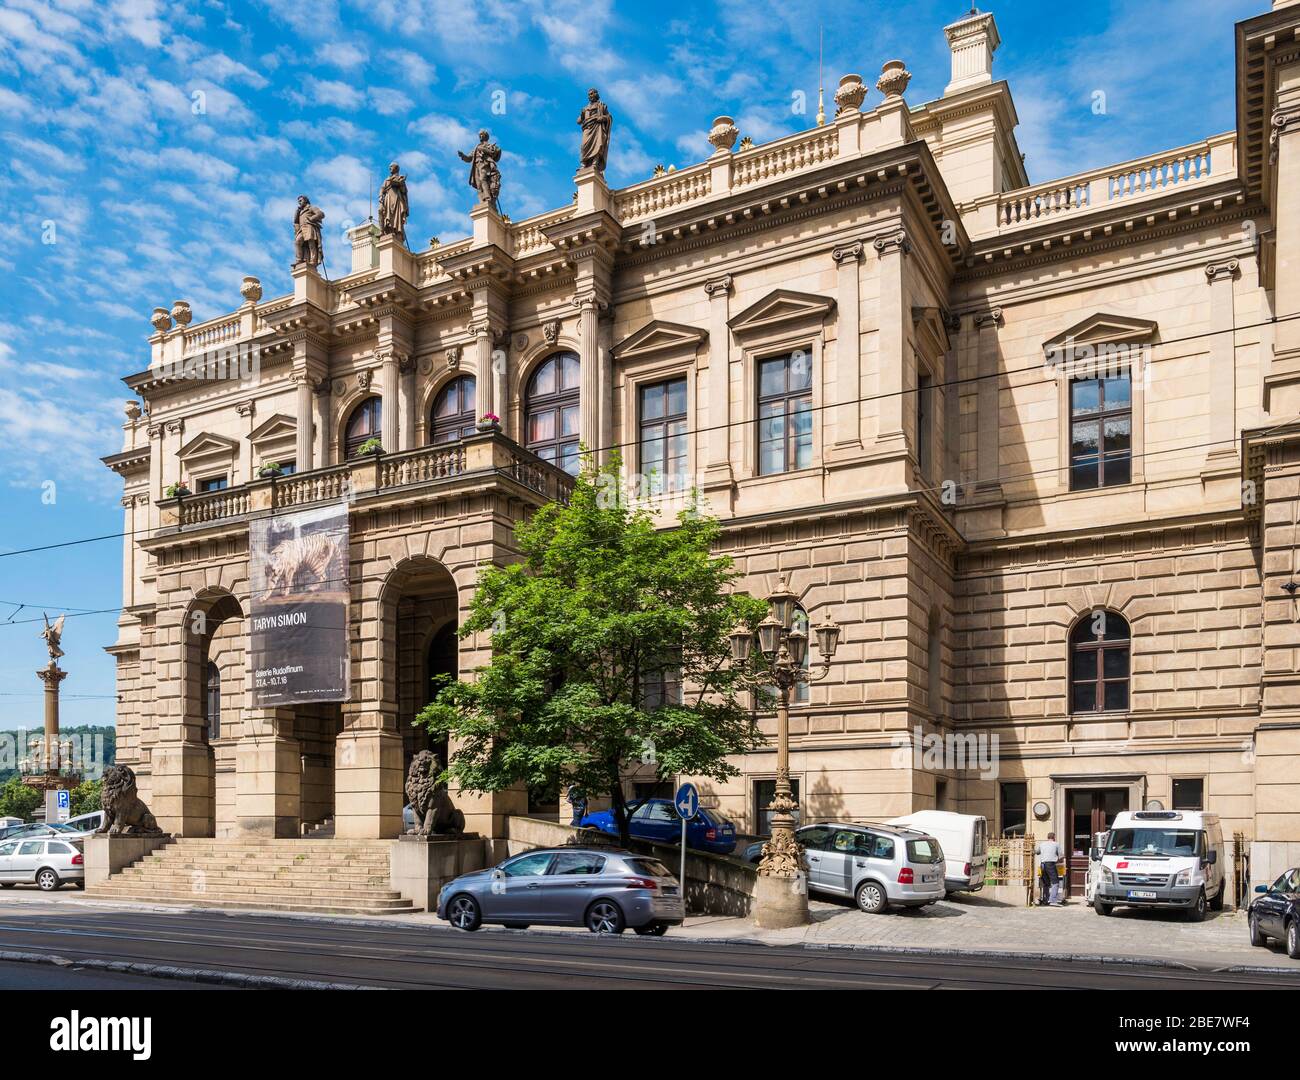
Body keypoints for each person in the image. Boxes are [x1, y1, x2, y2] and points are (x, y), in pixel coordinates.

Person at [1036, 831, 1062, 906]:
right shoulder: (1056, 844)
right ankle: (1053, 900)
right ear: (1054, 837)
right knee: (1055, 882)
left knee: (1046, 883)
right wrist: (1059, 860)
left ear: (1047, 837)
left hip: (1042, 865)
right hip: (1050, 864)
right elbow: (1061, 856)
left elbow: (1037, 852)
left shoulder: (1042, 844)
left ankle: (1045, 900)